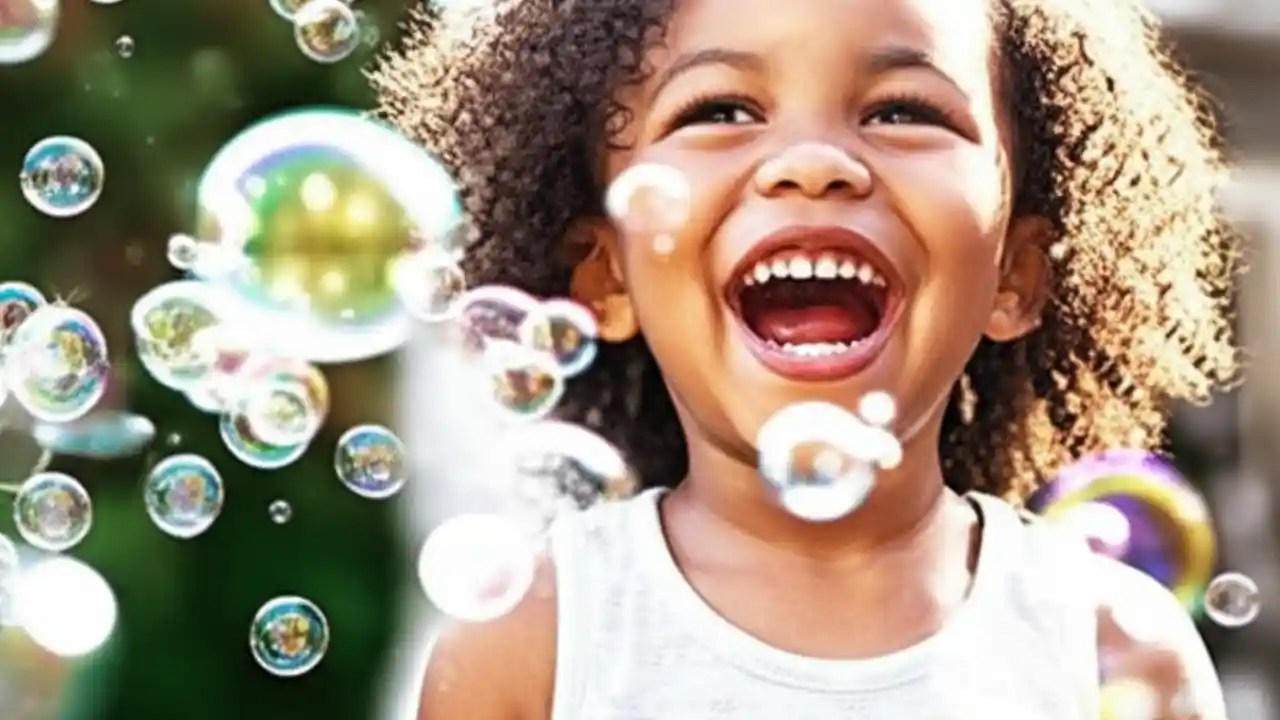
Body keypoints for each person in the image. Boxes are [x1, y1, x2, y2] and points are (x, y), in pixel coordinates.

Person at [371, 0, 1242, 717]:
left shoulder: (1110, 646)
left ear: (1014, 273)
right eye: (718, 111)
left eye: (904, 111)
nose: (814, 164)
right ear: (605, 275)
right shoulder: (539, 638)